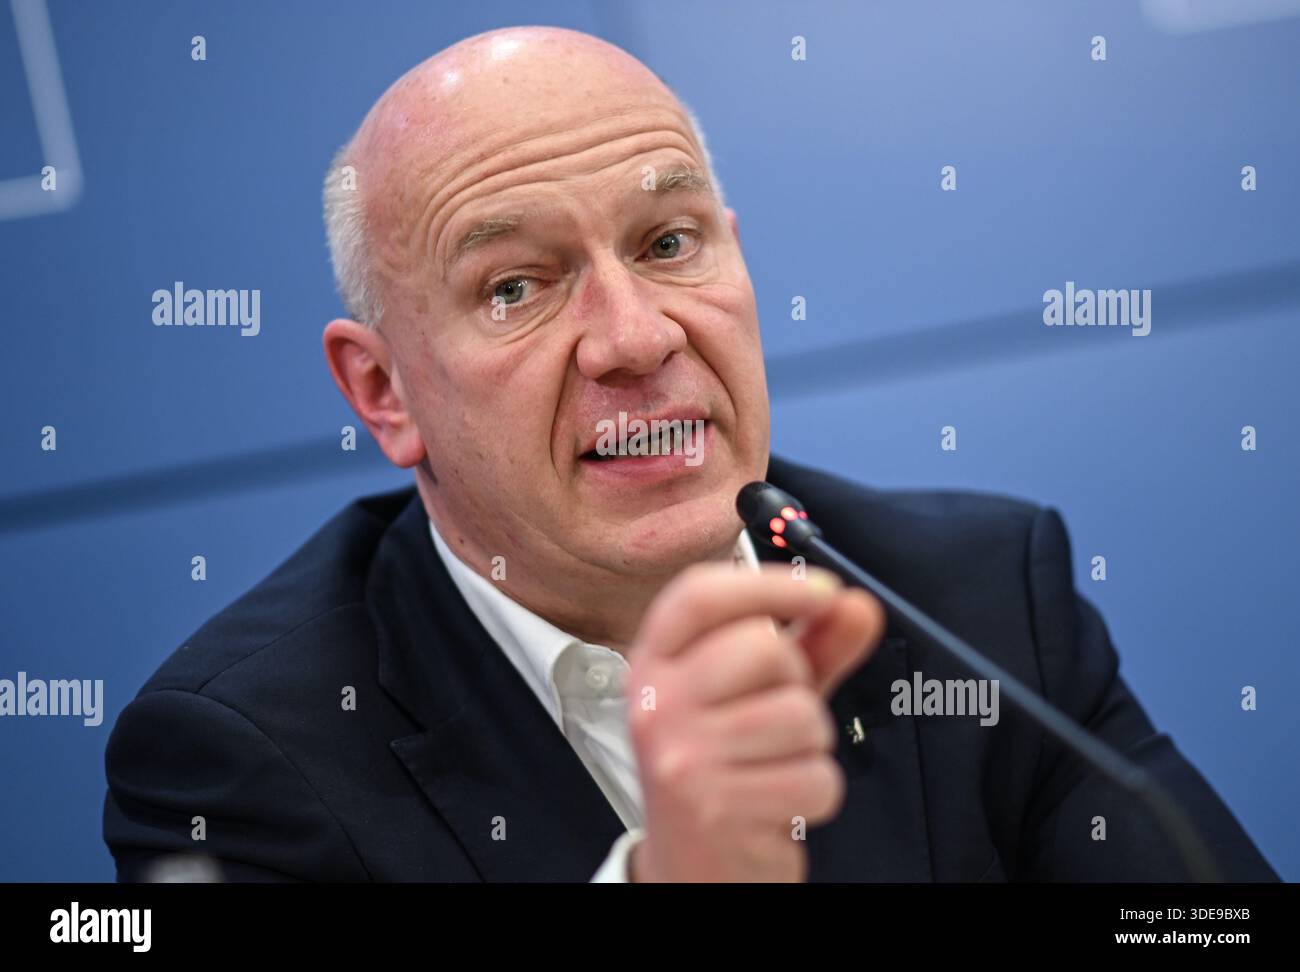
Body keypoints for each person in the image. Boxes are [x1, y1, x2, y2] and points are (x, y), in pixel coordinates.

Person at [103, 25, 1276, 883]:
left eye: (669, 243)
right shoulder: (240, 759)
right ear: (384, 390)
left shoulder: (976, 600)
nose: (634, 335)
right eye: (515, 285)